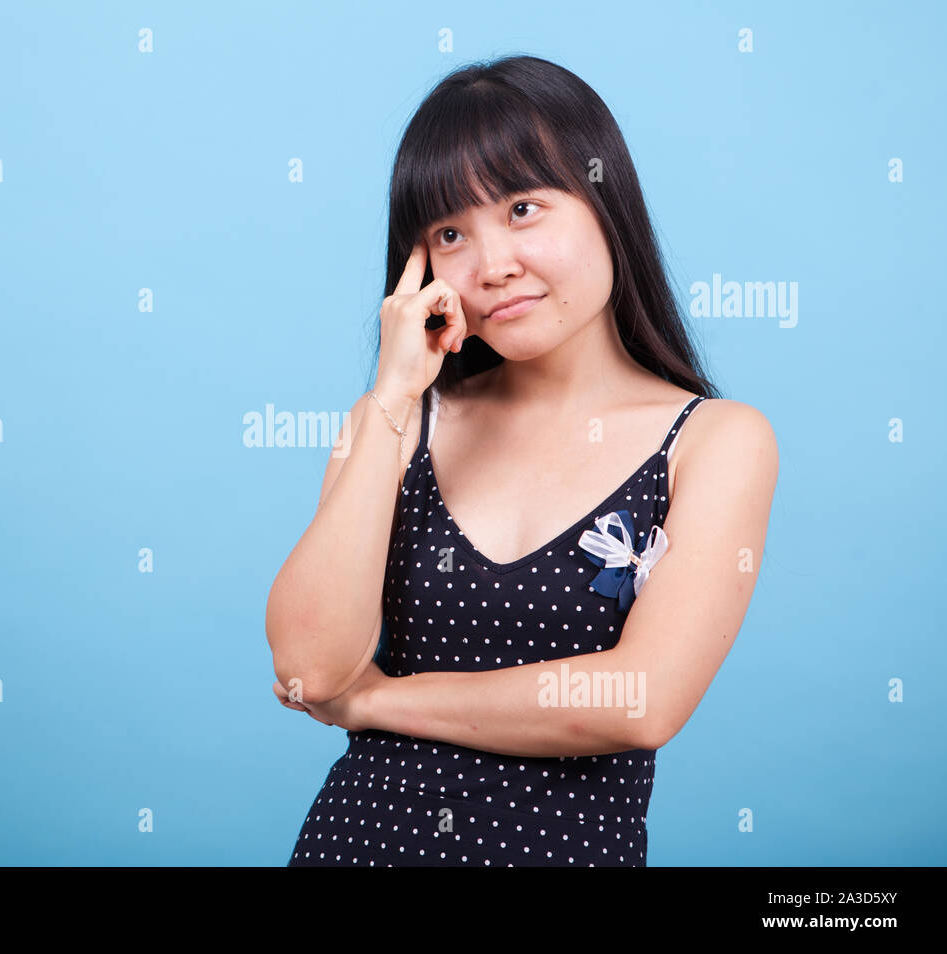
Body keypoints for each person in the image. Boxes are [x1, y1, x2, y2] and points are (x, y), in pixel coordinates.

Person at [265, 54, 779, 866]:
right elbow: (307, 667)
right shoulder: (399, 423)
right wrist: (391, 400)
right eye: (450, 234)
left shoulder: (716, 439)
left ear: (605, 201)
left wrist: (377, 703)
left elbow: (638, 701)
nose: (493, 264)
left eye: (524, 208)